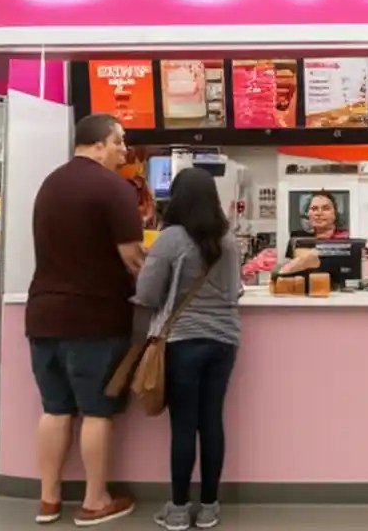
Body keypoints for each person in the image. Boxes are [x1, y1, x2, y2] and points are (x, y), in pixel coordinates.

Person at [25, 113, 145, 527]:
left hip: (42, 315)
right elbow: (132, 257)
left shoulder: (49, 184)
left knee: (54, 409)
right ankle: (95, 500)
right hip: (94, 316)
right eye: (119, 142)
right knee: (96, 411)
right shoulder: (114, 188)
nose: (124, 150)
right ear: (99, 143)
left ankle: (48, 499)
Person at [133, 167, 243, 531]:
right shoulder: (228, 239)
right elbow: (234, 292)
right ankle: (210, 507)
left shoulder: (170, 239)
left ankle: (179, 509)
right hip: (224, 340)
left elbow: (147, 295)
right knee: (212, 420)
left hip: (181, 340)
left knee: (183, 425)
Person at [277, 190, 348, 275]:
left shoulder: (345, 239)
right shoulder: (298, 240)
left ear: (335, 214)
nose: (319, 213)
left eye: (325, 208)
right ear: (308, 214)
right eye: (314, 209)